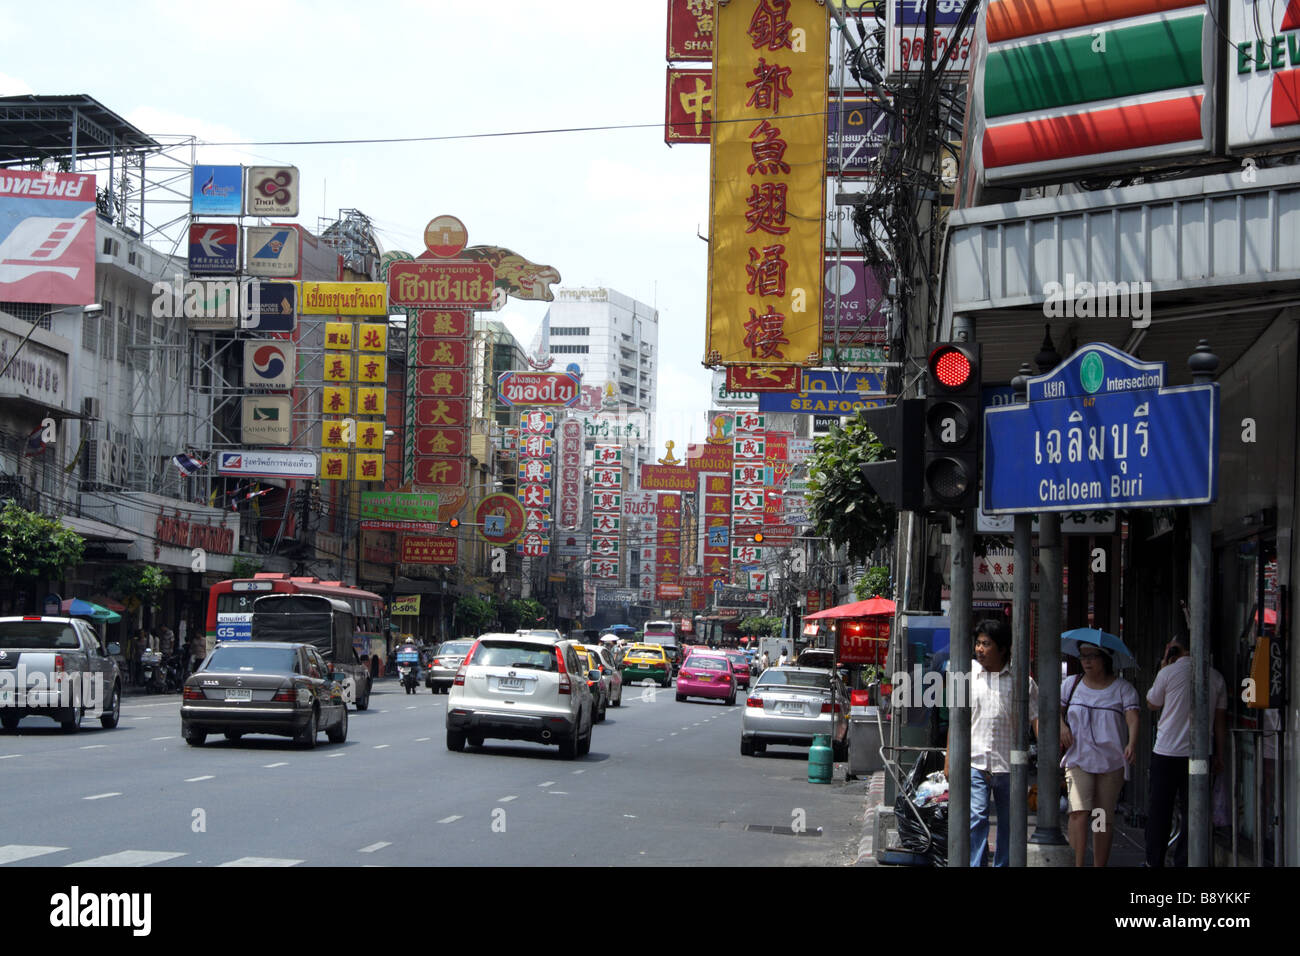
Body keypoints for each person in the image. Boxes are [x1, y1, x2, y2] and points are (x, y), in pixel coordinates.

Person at [946, 619, 1038, 868]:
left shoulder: (1022, 683)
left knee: (1009, 823)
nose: (980, 649)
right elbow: (956, 722)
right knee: (976, 818)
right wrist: (949, 759)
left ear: (1003, 649)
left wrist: (1046, 765)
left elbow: (1036, 720)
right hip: (974, 761)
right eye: (978, 643)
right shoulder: (967, 677)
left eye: (986, 644)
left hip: (1009, 766)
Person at [1144, 635, 1228, 867]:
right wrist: (1219, 754)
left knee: (1160, 809)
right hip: (1201, 754)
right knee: (1196, 812)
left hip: (1166, 752)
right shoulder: (1216, 677)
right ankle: (1186, 861)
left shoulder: (1168, 673)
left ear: (1174, 650)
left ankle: (1155, 861)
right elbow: (1220, 722)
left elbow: (1152, 703)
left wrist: (1163, 665)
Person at [1059, 641, 1140, 867]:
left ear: (1105, 659)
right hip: (1078, 759)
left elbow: (1132, 716)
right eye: (1083, 656)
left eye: (1092, 656)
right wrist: (1062, 727)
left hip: (1110, 762)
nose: (1086, 661)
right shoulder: (1071, 685)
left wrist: (1132, 742)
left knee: (1101, 818)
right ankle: (1077, 864)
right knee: (1078, 812)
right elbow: (1055, 709)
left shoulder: (1122, 689)